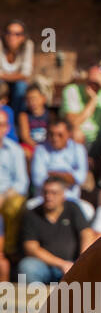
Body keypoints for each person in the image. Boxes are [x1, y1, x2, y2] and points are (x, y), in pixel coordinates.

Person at [18, 178, 92, 284]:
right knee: (27, 267)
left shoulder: (73, 208)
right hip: (44, 266)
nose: (49, 196)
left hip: (74, 264)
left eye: (54, 193)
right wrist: (61, 264)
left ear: (63, 195)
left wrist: (82, 260)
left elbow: (86, 234)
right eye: (45, 192)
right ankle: (37, 299)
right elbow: (31, 248)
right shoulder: (31, 215)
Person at [61, 65, 101, 163]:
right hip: (79, 139)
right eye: (90, 81)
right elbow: (74, 123)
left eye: (97, 82)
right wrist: (93, 101)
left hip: (100, 138)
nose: (93, 85)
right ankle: (80, 170)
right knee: (76, 133)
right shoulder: (72, 90)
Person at [30, 119, 89, 202]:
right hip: (43, 200)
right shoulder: (40, 150)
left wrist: (51, 174)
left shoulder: (78, 149)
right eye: (51, 134)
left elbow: (81, 178)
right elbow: (38, 180)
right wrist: (68, 177)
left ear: (69, 134)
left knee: (88, 210)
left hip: (70, 200)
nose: (55, 138)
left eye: (60, 135)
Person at [0, 108, 28, 269]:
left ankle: (9, 251)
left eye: (1, 125)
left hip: (8, 195)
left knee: (15, 206)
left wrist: (3, 196)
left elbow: (21, 183)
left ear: (7, 128)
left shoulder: (15, 150)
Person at [0, 19, 34, 122]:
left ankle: (14, 122)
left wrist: (4, 76)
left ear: (23, 37)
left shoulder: (28, 45)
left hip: (15, 82)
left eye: (17, 34)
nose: (12, 37)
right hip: (2, 82)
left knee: (21, 87)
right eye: (9, 33)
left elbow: (26, 73)